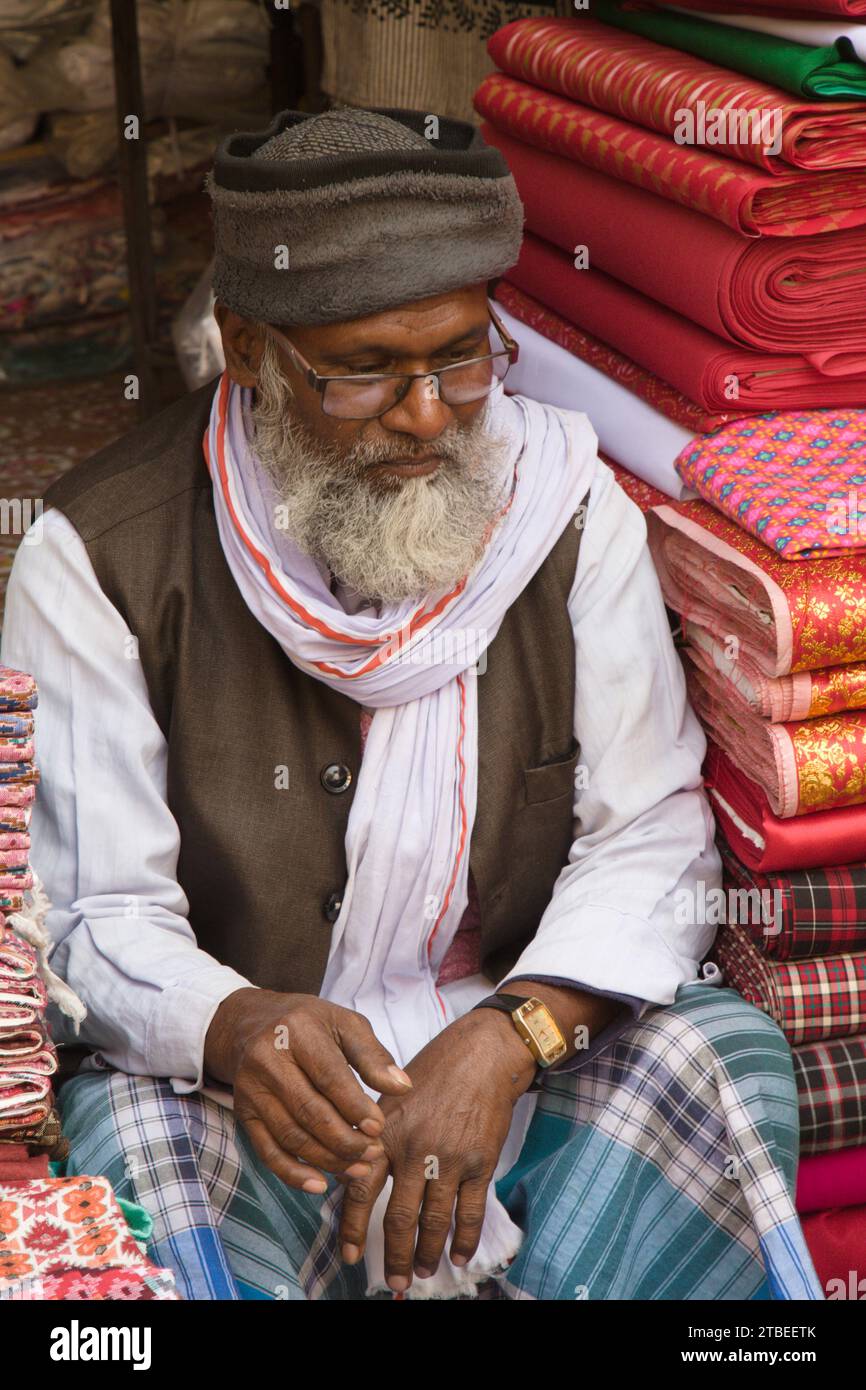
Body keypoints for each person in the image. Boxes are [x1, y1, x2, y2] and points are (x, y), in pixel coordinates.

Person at [1, 106, 820, 1301]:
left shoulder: (566, 506)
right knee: (138, 1158)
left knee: (716, 1059)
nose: (427, 414)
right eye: (364, 372)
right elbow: (93, 914)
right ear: (246, 349)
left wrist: (507, 1037)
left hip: (520, 1056)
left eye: (457, 357)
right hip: (248, 1093)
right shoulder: (96, 556)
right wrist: (234, 1025)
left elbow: (647, 832)